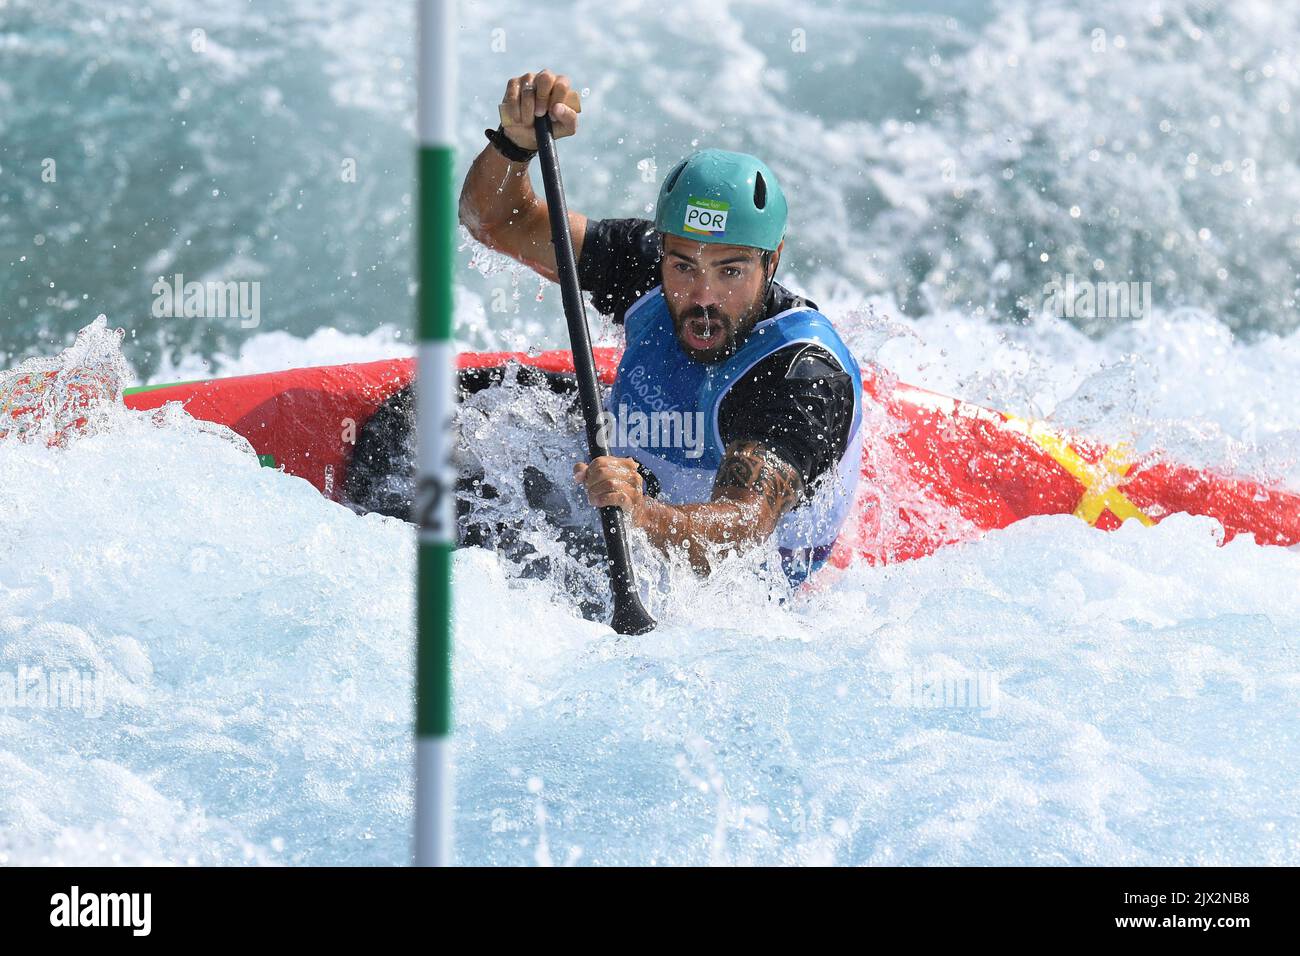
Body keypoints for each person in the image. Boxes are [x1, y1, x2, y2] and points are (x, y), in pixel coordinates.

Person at [458, 69, 863, 586]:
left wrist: (640, 513)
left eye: (730, 271)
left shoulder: (801, 377)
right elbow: (495, 222)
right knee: (452, 413)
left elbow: (743, 528)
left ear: (773, 260)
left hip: (737, 589)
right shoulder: (645, 262)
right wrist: (513, 146)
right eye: (683, 266)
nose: (702, 297)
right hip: (630, 481)